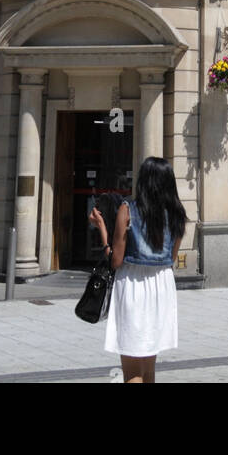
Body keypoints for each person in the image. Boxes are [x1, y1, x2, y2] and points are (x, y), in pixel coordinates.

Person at [89, 156, 186, 384]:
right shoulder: (177, 213)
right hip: (162, 286)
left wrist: (102, 228)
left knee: (132, 370)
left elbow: (115, 260)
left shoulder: (128, 209)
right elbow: (170, 259)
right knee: (149, 368)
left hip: (134, 286)